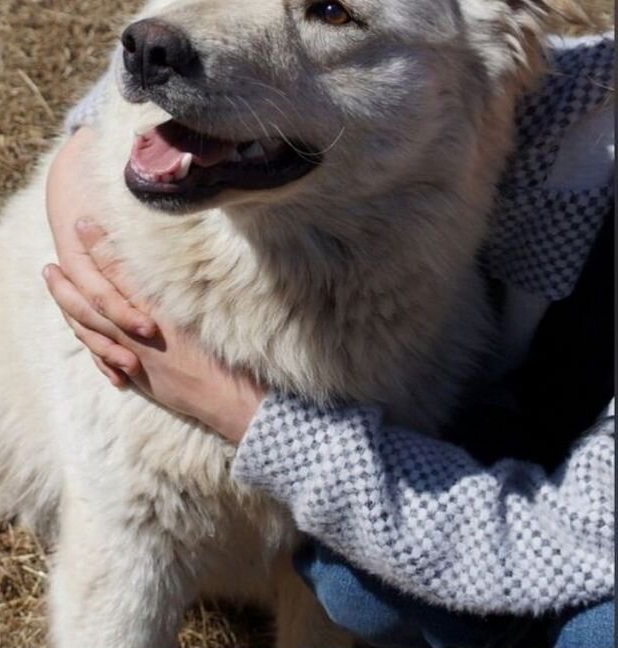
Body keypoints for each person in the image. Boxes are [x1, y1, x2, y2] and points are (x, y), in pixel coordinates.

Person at [42, 33, 615, 648]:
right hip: (533, 426)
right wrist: (78, 167)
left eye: (332, 9)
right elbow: (462, 50)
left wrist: (236, 409)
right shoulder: (587, 92)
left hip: (568, 533)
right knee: (354, 577)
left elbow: (558, 543)